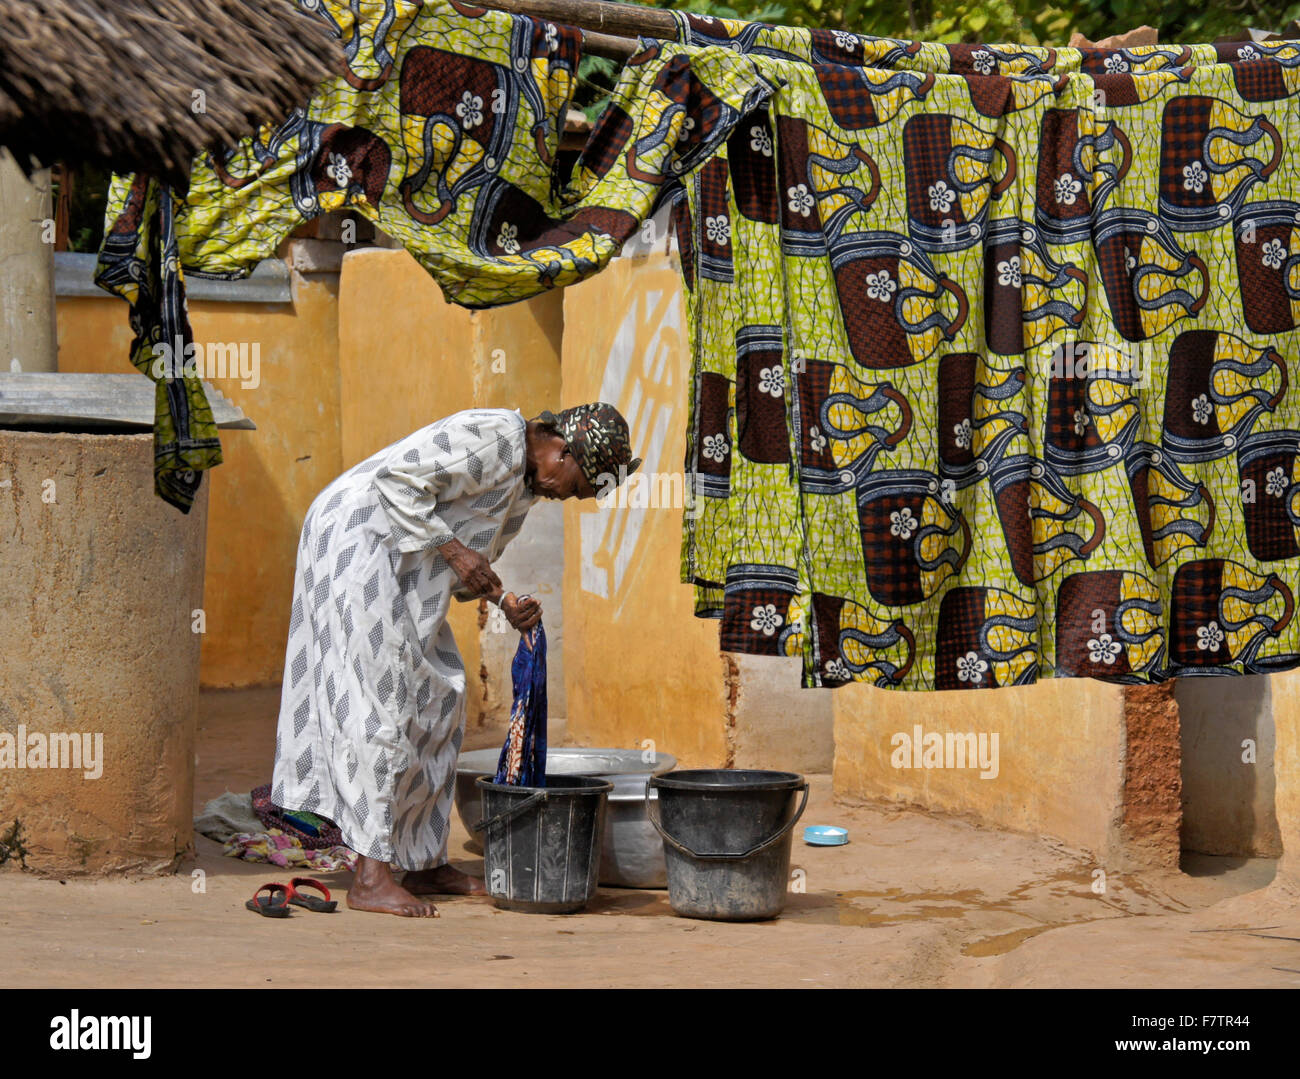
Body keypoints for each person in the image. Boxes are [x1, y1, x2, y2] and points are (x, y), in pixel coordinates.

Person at [270, 403, 641, 916]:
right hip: (356, 544)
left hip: (405, 570)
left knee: (440, 698)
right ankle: (370, 875)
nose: (566, 498)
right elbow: (395, 484)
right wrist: (458, 554)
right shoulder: (495, 434)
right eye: (576, 486)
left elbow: (471, 568)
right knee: (379, 703)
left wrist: (505, 600)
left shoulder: (522, 492)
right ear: (560, 451)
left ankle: (423, 862)